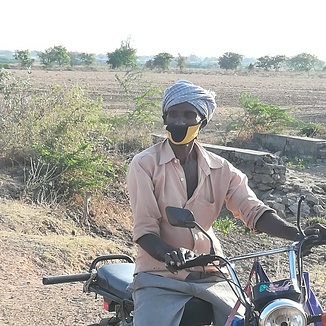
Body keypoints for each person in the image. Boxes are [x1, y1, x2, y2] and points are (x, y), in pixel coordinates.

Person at [126, 80, 326, 326]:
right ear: (165, 118)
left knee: (250, 321)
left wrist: (296, 234)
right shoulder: (144, 164)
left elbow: (252, 210)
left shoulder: (221, 168)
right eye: (173, 115)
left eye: (188, 115)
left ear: (203, 122)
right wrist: (168, 254)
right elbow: (144, 229)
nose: (179, 122)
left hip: (212, 273)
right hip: (160, 276)